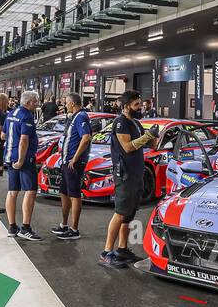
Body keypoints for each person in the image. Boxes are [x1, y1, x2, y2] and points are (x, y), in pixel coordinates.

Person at [99, 90, 157, 269]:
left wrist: (153, 135)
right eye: (136, 105)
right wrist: (147, 136)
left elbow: (151, 145)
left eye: (140, 104)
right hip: (124, 174)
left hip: (136, 174)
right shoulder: (120, 123)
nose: (140, 107)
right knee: (121, 212)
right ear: (126, 106)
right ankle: (106, 252)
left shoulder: (137, 123)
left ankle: (122, 249)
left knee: (129, 214)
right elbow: (127, 147)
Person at [52, 92, 91, 241]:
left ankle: (75, 229)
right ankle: (64, 225)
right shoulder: (73, 117)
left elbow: (86, 137)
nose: (65, 105)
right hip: (67, 161)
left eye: (66, 102)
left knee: (74, 195)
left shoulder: (81, 116)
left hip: (74, 162)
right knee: (64, 192)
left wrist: (75, 157)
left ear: (73, 103)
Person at [4, 89, 42, 241]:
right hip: (23, 159)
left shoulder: (11, 114)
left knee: (12, 191)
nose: (37, 104)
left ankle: (12, 226)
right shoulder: (27, 116)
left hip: (9, 156)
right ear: (28, 102)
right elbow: (24, 140)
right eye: (35, 101)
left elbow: (4, 135)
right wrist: (20, 159)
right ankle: (25, 228)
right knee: (31, 190)